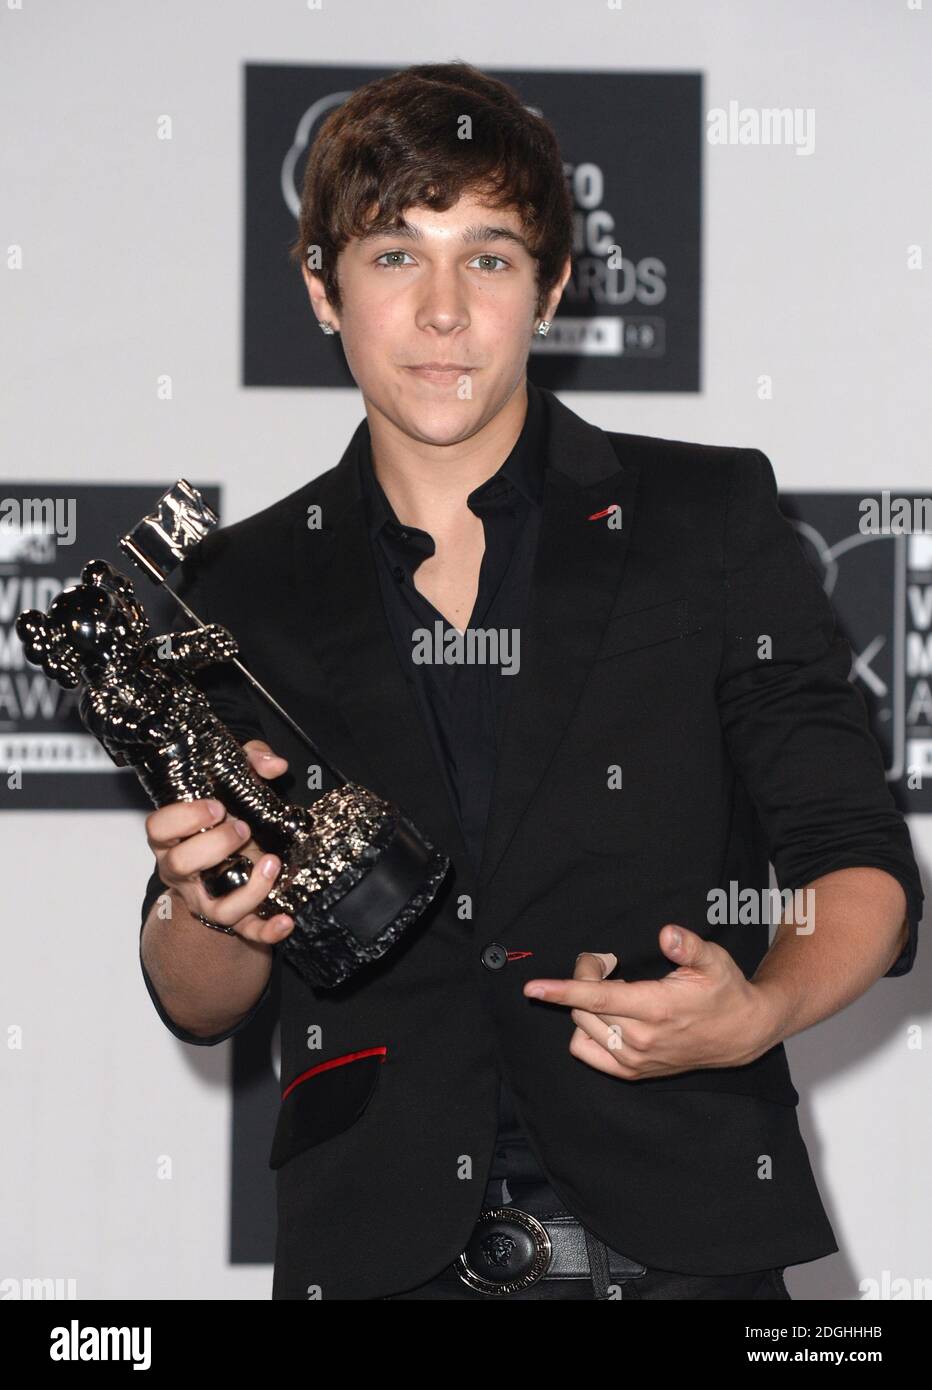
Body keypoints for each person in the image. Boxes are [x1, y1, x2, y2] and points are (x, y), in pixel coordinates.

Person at [139, 61, 923, 1300]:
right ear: (319, 288)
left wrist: (757, 1008)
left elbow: (857, 861)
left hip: (684, 1252)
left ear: (552, 285)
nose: (443, 311)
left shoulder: (701, 520)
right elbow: (199, 999)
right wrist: (206, 903)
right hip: (376, 1259)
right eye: (395, 255)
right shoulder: (241, 590)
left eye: (489, 257)